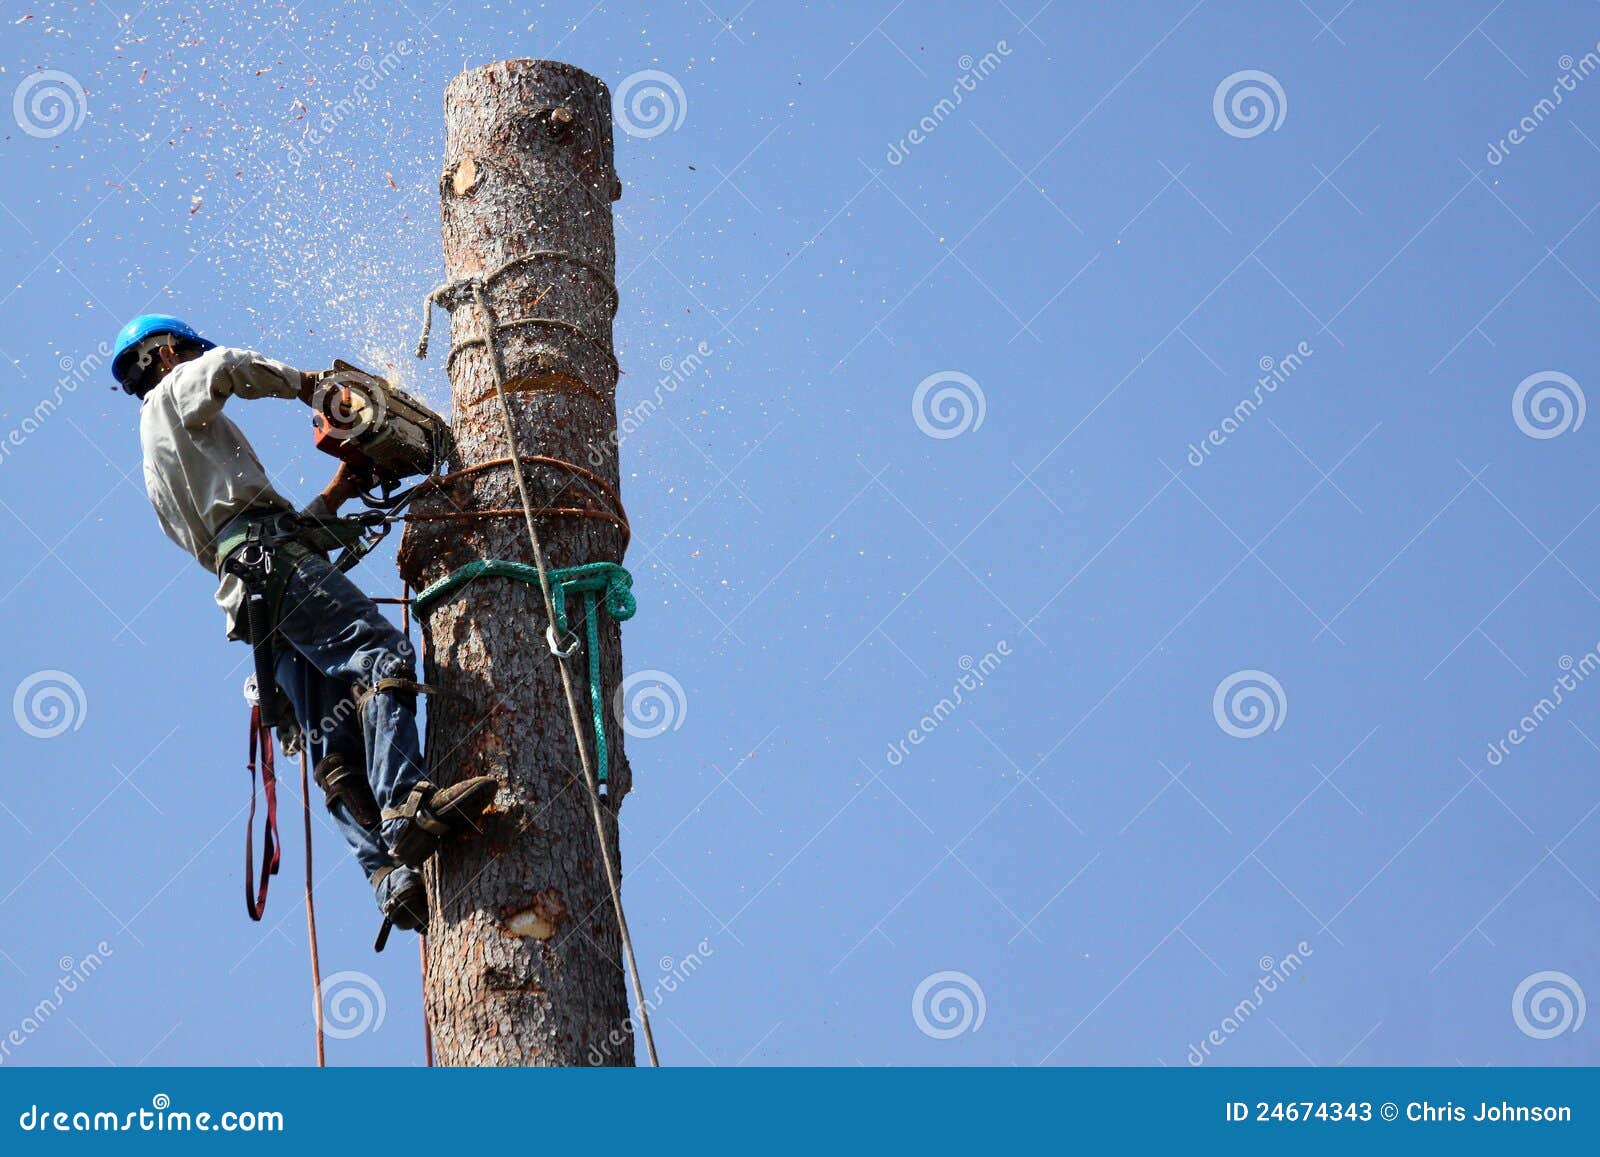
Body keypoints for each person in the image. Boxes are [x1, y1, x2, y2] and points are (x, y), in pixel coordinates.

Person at [114, 313, 495, 940]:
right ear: (160, 355)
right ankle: (406, 805)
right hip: (274, 571)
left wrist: (341, 491)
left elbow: (258, 532)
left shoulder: (164, 464)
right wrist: (314, 386)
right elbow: (228, 366)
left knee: (333, 740)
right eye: (183, 351)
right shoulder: (170, 394)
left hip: (254, 603)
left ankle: (388, 877)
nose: (189, 359)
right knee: (382, 657)